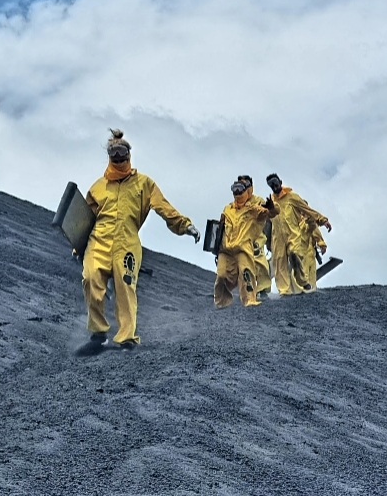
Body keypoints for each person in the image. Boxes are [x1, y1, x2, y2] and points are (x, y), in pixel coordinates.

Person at [82, 129, 199, 349]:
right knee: (91, 279)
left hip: (127, 243)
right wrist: (78, 245)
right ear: (109, 156)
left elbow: (163, 206)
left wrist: (184, 225)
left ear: (129, 154)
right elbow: (85, 218)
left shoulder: (144, 184)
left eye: (122, 152)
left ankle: (127, 337)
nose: (118, 157)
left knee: (126, 287)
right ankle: (98, 332)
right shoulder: (98, 187)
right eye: (114, 153)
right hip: (99, 241)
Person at [214, 180, 278, 309]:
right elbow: (220, 228)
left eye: (240, 189)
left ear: (246, 191)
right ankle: (222, 301)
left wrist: (271, 207)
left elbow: (270, 213)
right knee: (222, 275)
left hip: (243, 248)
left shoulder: (253, 209)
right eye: (235, 189)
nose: (237, 192)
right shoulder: (228, 209)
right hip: (226, 249)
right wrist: (216, 247)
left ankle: (250, 300)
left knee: (246, 273)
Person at [265, 173, 330, 296]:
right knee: (280, 264)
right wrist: (268, 242)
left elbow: (307, 210)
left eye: (275, 181)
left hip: (292, 235)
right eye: (270, 184)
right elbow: (267, 223)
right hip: (277, 238)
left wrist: (323, 220)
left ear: (280, 181)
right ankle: (285, 291)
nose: (273, 185)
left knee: (294, 254)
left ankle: (302, 280)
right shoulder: (271, 201)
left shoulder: (292, 197)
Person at [237, 175, 272, 300]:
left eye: (246, 184)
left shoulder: (259, 201)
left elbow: (268, 217)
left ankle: (263, 289)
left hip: (257, 235)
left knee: (259, 260)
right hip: (241, 236)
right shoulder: (237, 203)